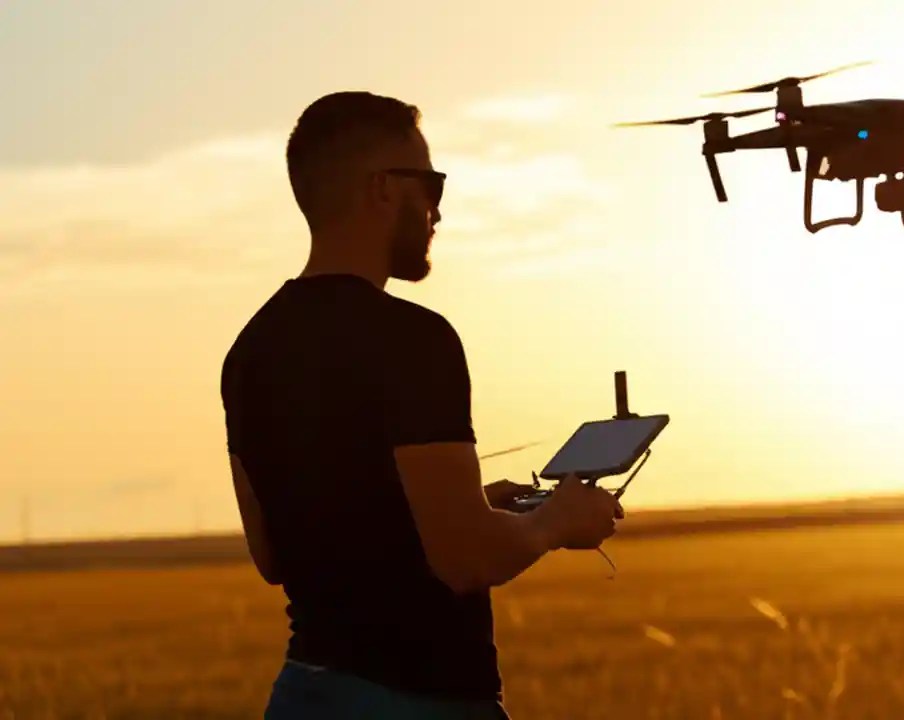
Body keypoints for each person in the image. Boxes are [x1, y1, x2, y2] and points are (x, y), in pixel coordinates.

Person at [219, 91, 624, 719]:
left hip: (301, 695)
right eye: (430, 183)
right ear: (382, 189)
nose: (438, 210)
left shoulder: (249, 350)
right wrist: (556, 520)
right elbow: (466, 559)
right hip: (418, 700)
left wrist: (470, 502)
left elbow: (277, 555)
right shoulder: (414, 339)